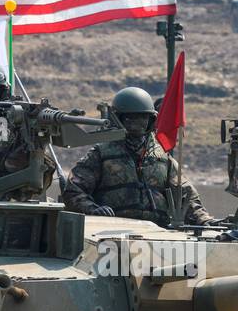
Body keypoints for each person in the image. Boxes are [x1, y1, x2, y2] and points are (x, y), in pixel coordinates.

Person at [62, 86, 211, 226]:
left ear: (151, 120)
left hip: (156, 232)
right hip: (111, 230)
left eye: (142, 118)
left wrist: (204, 221)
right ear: (118, 119)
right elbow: (74, 190)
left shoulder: (163, 158)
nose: (135, 124)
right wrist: (93, 210)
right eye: (129, 118)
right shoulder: (101, 154)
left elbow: (186, 197)